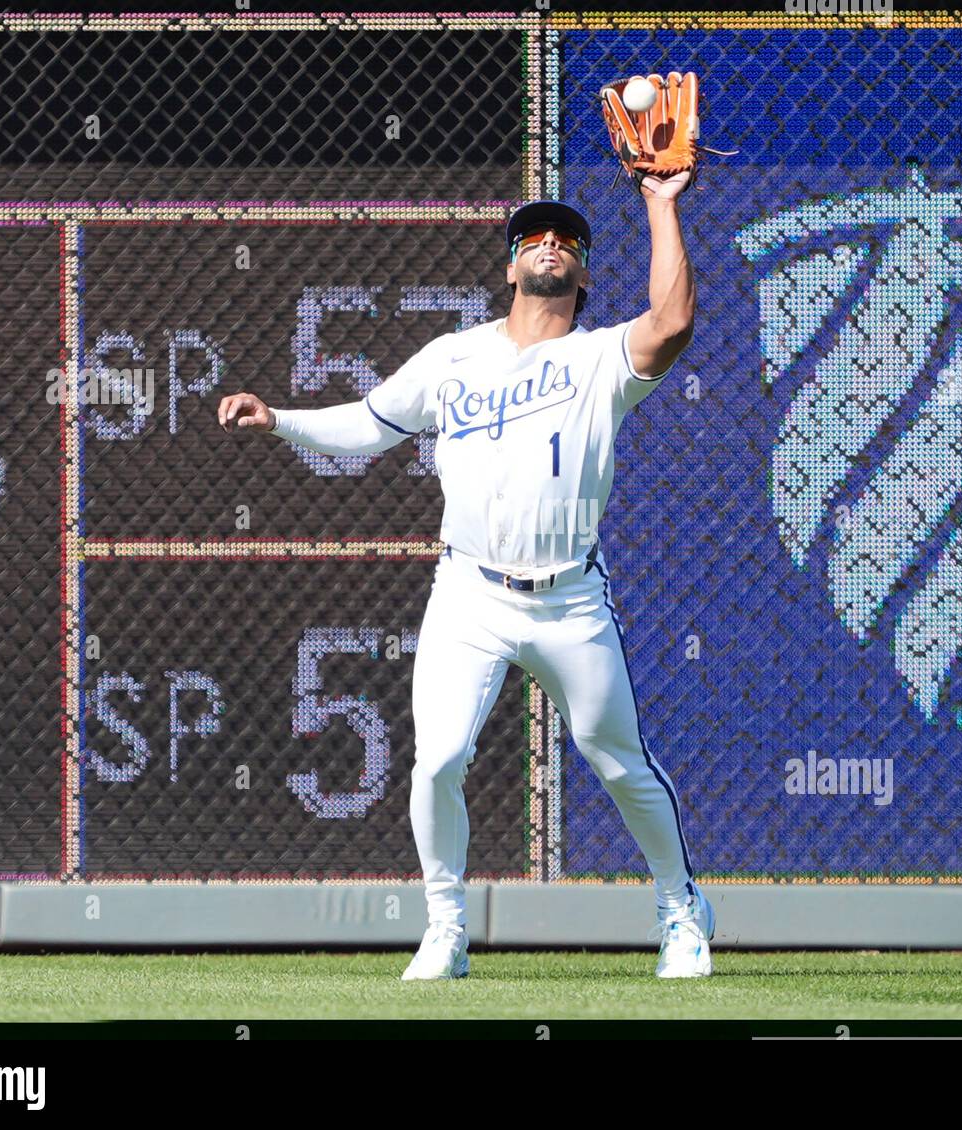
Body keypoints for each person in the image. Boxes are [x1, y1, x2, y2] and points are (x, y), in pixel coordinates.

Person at [217, 171, 714, 979]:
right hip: (470, 594)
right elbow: (370, 427)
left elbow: (675, 320)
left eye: (566, 240)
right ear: (510, 267)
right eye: (533, 236)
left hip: (569, 600)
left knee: (615, 758)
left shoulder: (600, 358)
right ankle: (446, 929)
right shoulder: (453, 357)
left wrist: (661, 204)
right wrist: (280, 418)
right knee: (440, 759)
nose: (548, 243)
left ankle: (680, 908)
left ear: (584, 275)